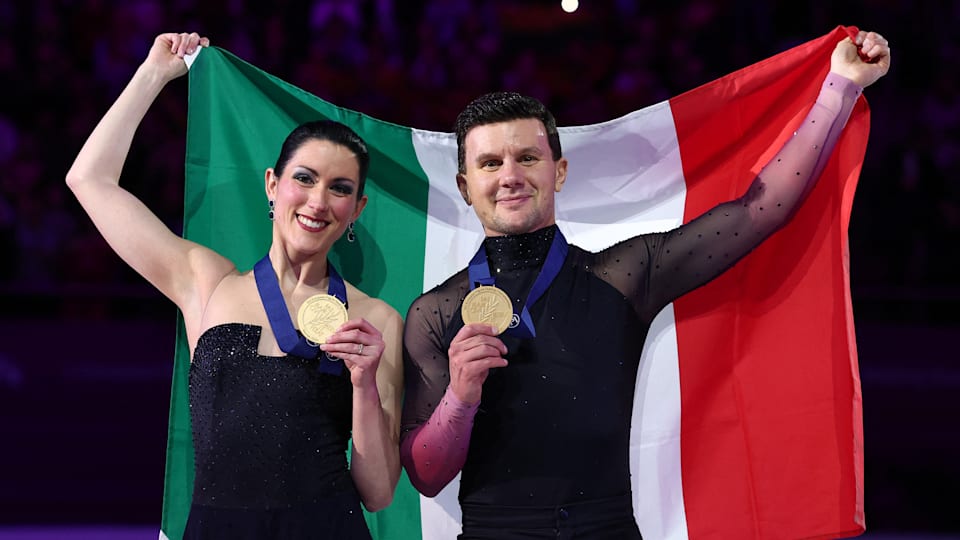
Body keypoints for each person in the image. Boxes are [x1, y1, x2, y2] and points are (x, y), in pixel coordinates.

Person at [400, 29, 891, 539]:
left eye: (527, 157)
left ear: (559, 171)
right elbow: (427, 475)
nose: (510, 176)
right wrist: (460, 395)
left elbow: (760, 210)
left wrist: (842, 85)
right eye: (489, 163)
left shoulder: (627, 273)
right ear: (464, 186)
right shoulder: (436, 313)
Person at [66, 32, 403, 539]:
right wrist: (154, 73)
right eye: (305, 178)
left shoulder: (376, 320)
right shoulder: (205, 281)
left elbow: (377, 492)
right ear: (272, 185)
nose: (318, 202)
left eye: (340, 189)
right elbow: (89, 180)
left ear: (356, 210)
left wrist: (362, 386)